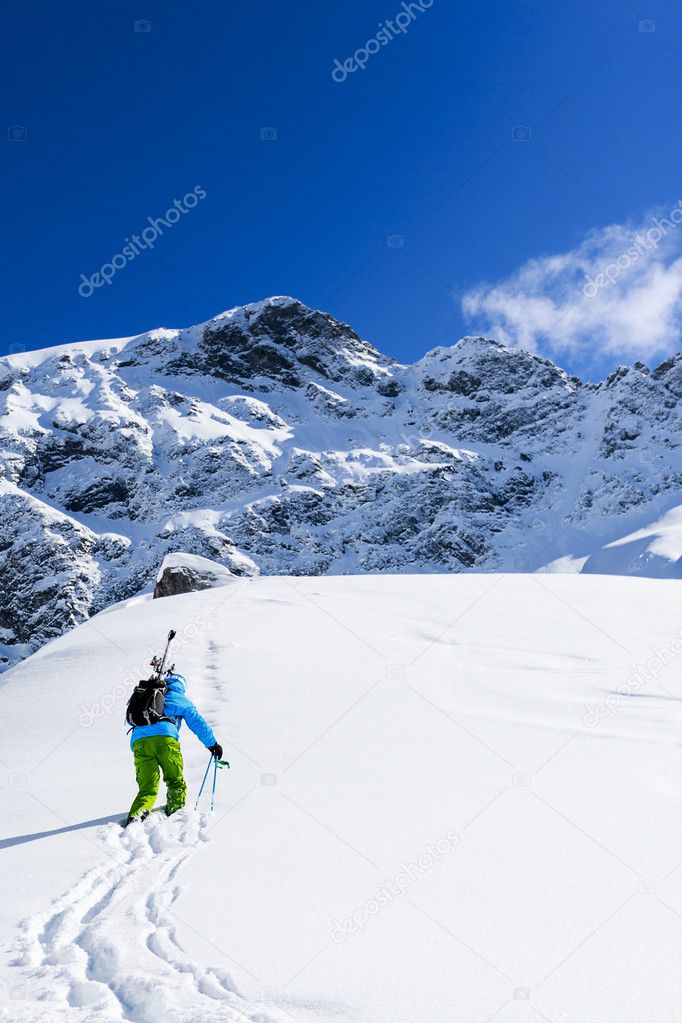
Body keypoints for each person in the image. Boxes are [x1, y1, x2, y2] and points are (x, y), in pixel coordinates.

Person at [125, 672, 223, 826]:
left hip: (139, 742)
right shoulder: (178, 698)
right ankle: (176, 815)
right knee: (175, 780)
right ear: (181, 686)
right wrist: (212, 744)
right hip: (165, 740)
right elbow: (197, 723)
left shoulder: (147, 696)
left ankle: (136, 816)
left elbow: (130, 720)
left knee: (148, 786)